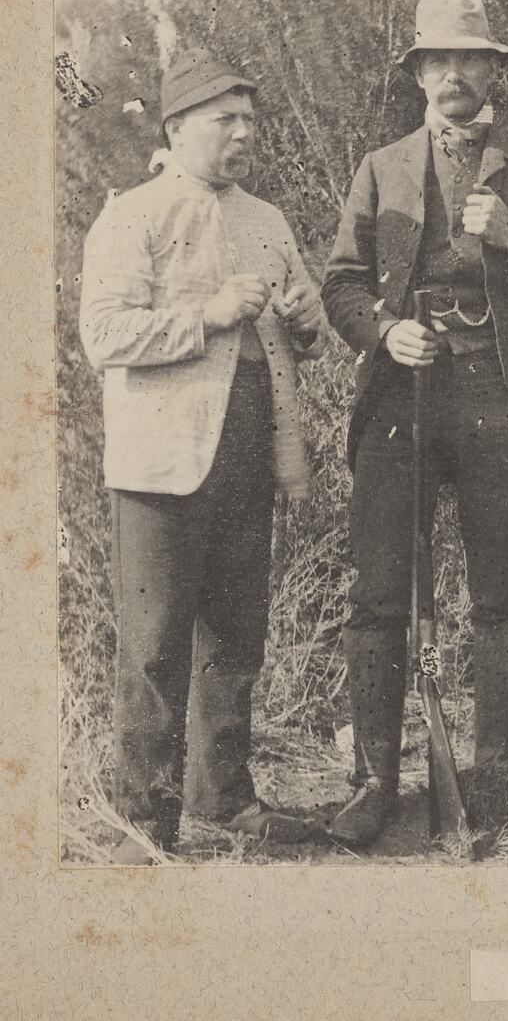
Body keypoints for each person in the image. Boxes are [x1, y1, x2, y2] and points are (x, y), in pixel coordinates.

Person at [321, 0, 508, 845]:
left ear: (492, 70)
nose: (452, 76)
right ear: (418, 75)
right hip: (401, 395)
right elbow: (340, 283)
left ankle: (496, 783)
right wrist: (385, 330)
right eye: (437, 61)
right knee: (378, 596)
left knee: (502, 596)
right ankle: (373, 784)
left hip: (496, 399)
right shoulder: (380, 166)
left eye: (468, 59)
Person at [80, 48, 326, 864]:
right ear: (178, 126)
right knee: (153, 642)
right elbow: (105, 334)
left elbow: (314, 333)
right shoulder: (133, 215)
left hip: (251, 448)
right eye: (227, 119)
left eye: (251, 120)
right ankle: (143, 820)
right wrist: (213, 312)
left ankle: (222, 799)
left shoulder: (268, 219)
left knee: (236, 632)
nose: (244, 134)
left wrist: (301, 319)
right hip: (160, 459)